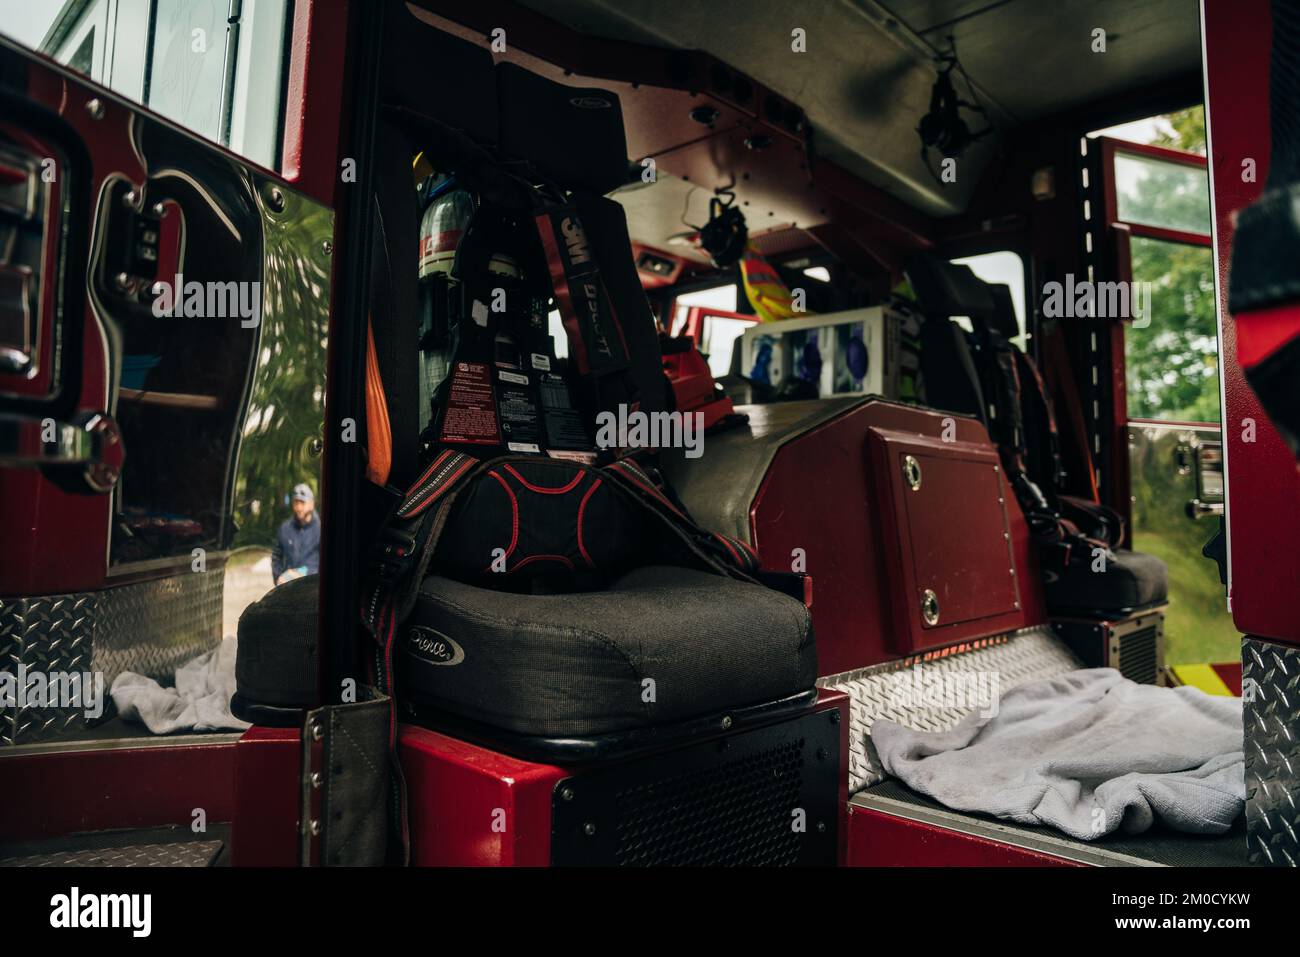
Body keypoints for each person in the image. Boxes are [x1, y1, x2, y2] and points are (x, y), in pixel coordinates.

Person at [272, 483, 321, 585]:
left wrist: (305, 574)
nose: (298, 508)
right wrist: (278, 577)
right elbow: (276, 556)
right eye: (296, 503)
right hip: (289, 590)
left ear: (311, 504)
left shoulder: (322, 529)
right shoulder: (285, 528)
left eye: (302, 503)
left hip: (313, 589)